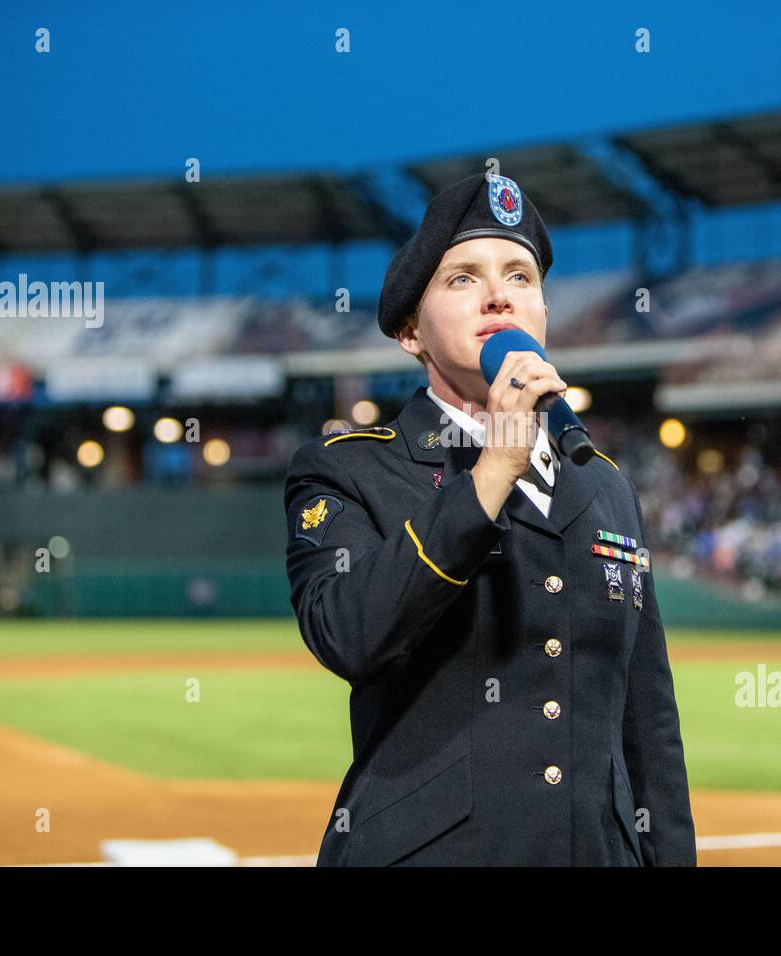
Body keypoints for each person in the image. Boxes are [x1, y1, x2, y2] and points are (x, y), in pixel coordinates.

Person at [283, 172, 696, 866]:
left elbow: (647, 720)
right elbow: (349, 635)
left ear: (540, 313)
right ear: (411, 331)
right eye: (463, 279)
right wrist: (489, 475)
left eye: (520, 277)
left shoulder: (605, 485)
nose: (499, 293)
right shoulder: (348, 470)